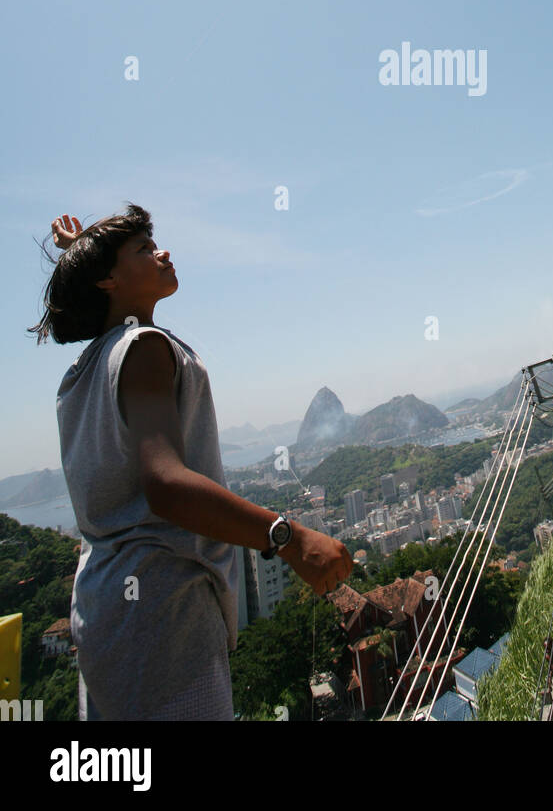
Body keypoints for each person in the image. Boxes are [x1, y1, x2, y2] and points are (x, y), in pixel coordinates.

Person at [31, 206, 354, 721]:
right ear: (109, 279)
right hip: (165, 614)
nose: (162, 252)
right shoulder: (144, 347)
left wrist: (86, 249)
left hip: (103, 614)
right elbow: (167, 485)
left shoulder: (83, 370)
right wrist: (288, 537)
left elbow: (102, 277)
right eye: (144, 248)